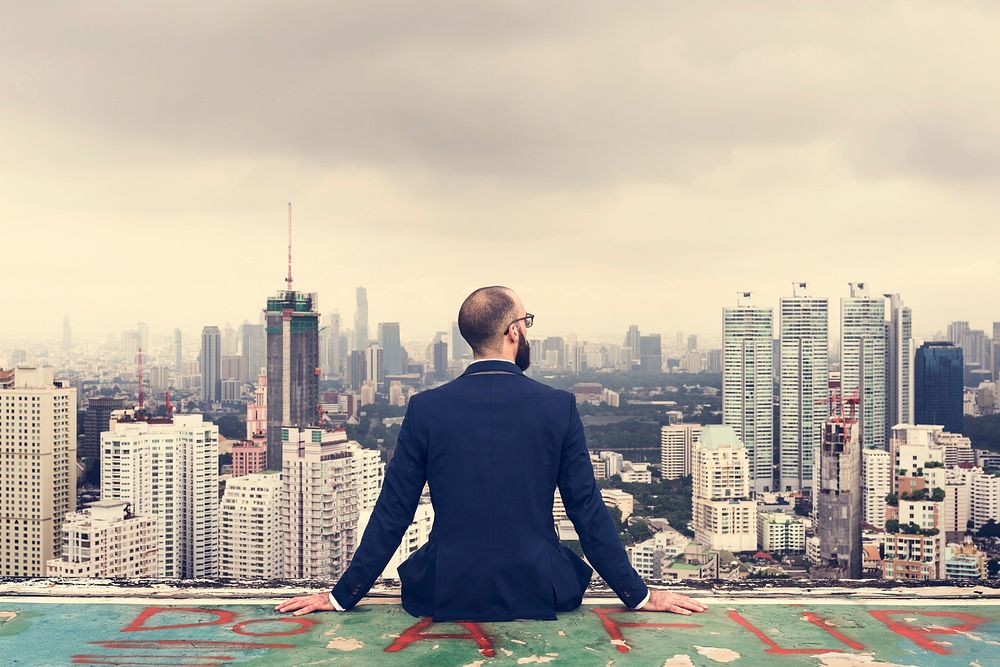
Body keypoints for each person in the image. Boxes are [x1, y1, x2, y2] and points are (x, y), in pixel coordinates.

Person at [277, 286, 706, 621]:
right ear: (513, 331)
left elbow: (393, 511)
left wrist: (341, 596)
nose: (528, 330)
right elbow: (587, 509)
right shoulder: (558, 406)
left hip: (444, 590)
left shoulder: (425, 408)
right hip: (541, 588)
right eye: (527, 321)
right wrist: (638, 595)